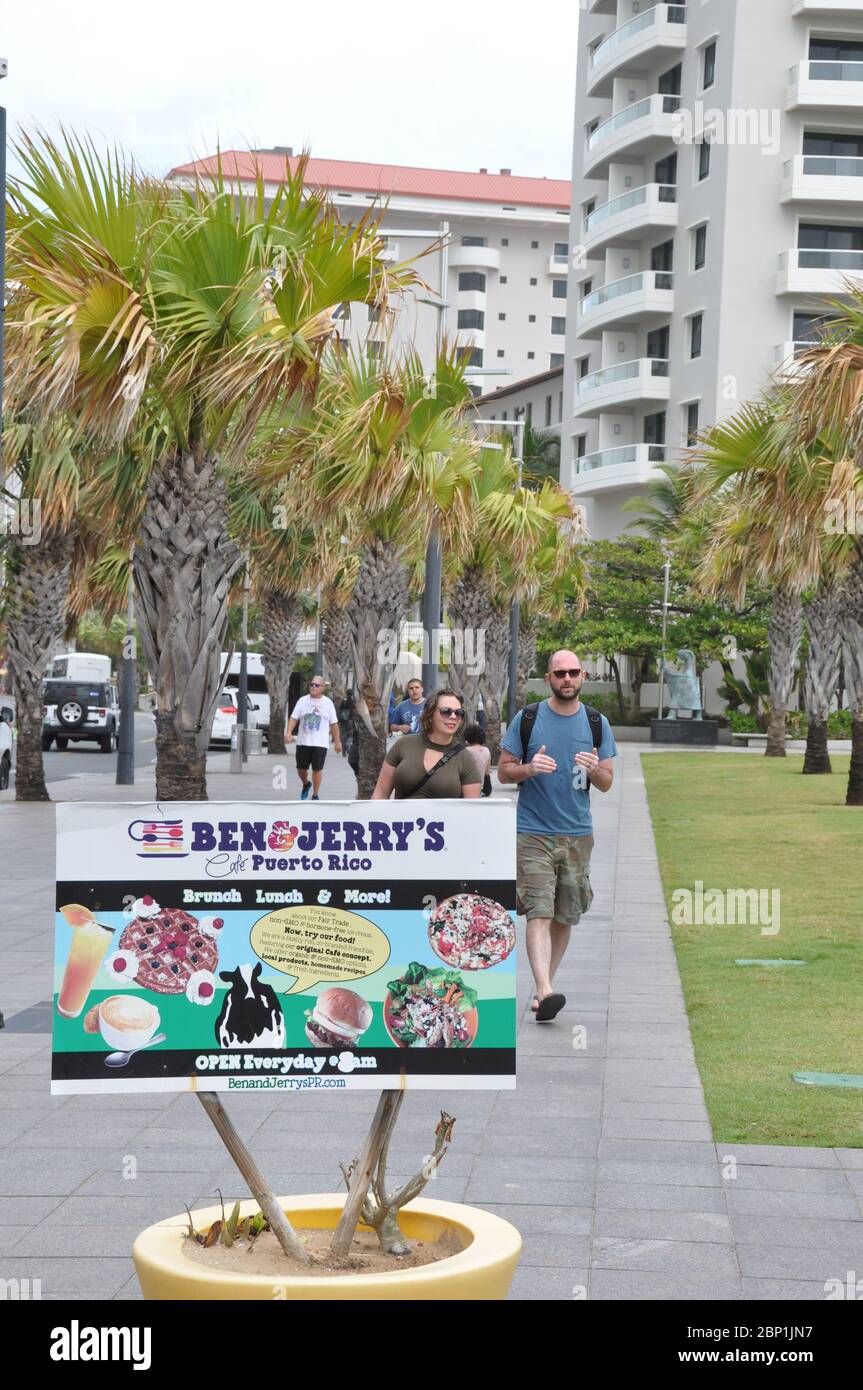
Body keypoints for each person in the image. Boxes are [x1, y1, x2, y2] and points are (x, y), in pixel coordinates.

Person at [498, 650, 616, 1022]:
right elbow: (502, 772)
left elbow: (607, 783)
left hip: (578, 834)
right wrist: (529, 768)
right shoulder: (528, 719)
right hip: (533, 831)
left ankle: (542, 986)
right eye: (560, 673)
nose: (567, 679)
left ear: (583, 677)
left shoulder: (597, 723)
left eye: (573, 673)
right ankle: (546, 988)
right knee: (539, 910)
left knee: (565, 914)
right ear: (548, 678)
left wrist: (595, 769)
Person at [371, 689, 481, 800]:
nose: (453, 716)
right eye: (446, 711)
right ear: (430, 714)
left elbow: (470, 810)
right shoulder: (403, 744)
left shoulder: (465, 758)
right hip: (403, 817)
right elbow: (380, 794)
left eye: (459, 712)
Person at [286, 675, 342, 800]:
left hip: (320, 743)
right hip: (303, 741)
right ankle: (306, 784)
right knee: (301, 769)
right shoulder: (302, 701)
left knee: (317, 769)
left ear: (322, 688)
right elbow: (294, 718)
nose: (313, 687)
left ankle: (315, 794)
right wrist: (289, 732)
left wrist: (337, 742)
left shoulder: (328, 703)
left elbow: (334, 724)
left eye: (317, 685)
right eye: (312, 684)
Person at [464, 722, 492, 797]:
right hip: (481, 789)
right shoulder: (486, 750)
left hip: (468, 789)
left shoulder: (466, 750)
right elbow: (487, 773)